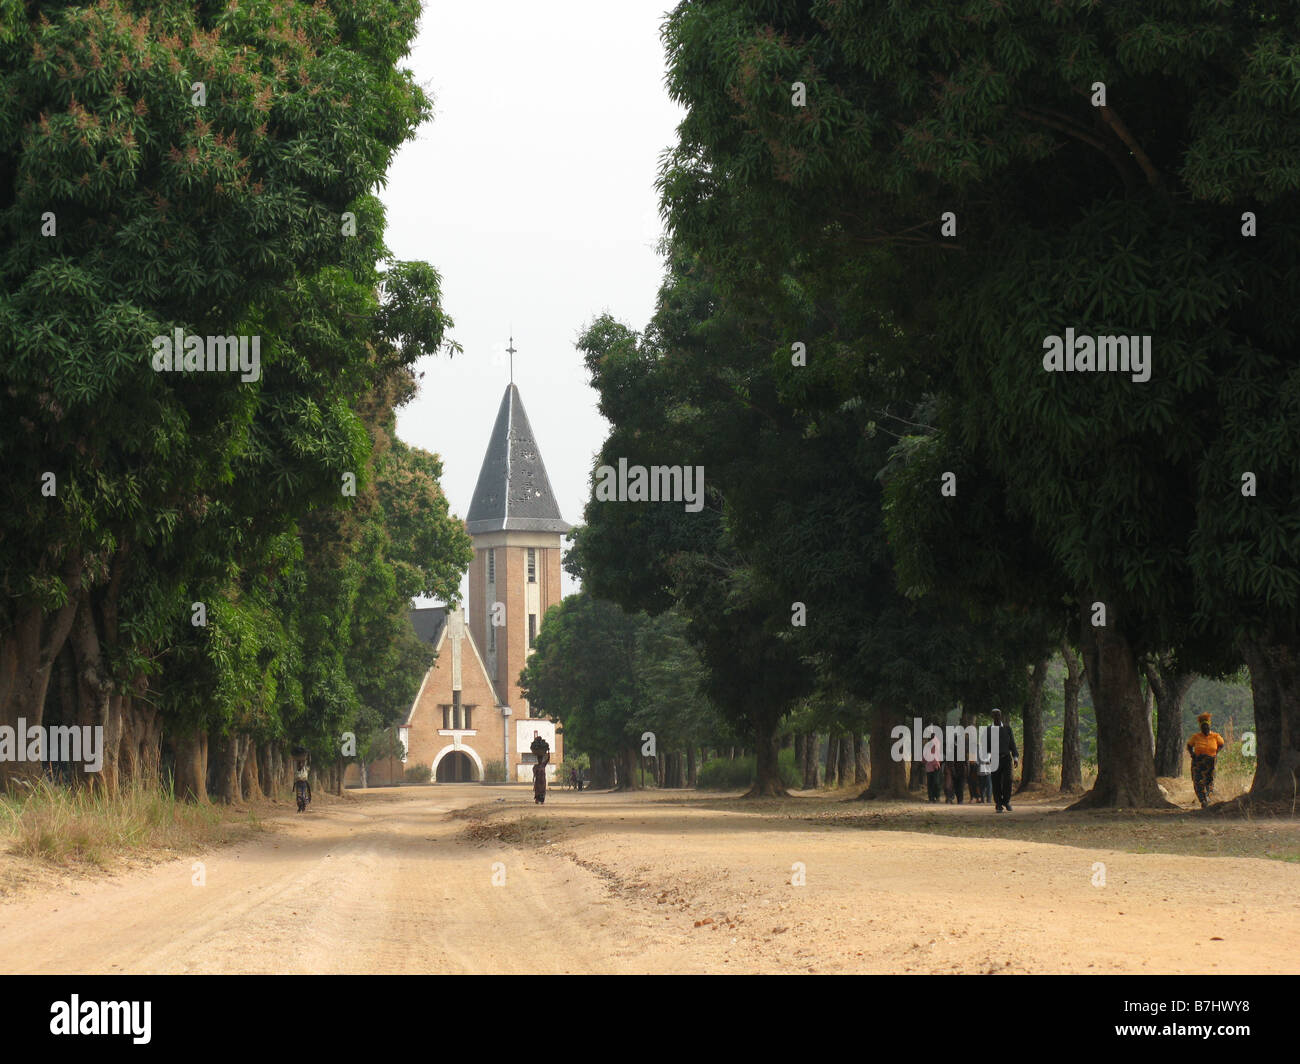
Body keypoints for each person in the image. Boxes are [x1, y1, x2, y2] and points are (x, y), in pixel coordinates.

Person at [1187, 712, 1225, 809]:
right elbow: (1189, 745)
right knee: (1198, 781)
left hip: (1210, 763)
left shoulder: (1215, 736)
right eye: (1203, 727)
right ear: (1201, 727)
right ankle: (1203, 800)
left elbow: (1221, 744)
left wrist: (1216, 753)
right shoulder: (1196, 737)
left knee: (1209, 781)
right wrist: (1192, 754)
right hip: (1198, 762)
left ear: (1209, 726)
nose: (1205, 728)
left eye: (1206, 726)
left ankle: (1208, 799)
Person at [988, 709, 1019, 812]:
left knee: (1008, 780)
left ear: (1001, 716)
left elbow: (1012, 744)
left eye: (998, 715)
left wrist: (1015, 757)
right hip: (994, 758)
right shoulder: (989, 730)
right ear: (992, 717)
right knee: (995, 782)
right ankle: (998, 804)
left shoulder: (1007, 729)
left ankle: (1006, 801)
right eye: (995, 715)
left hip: (1006, 758)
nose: (997, 717)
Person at [530, 731, 550, 805]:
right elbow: (534, 773)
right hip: (538, 781)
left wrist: (548, 752)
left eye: (540, 759)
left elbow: (548, 759)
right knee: (538, 790)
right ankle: (537, 800)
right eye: (539, 759)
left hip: (543, 781)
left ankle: (542, 800)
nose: (540, 760)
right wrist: (533, 777)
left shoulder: (543, 765)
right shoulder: (536, 766)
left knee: (542, 790)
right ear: (538, 759)